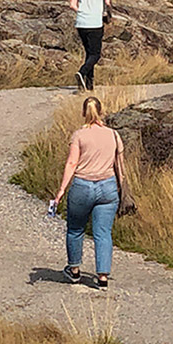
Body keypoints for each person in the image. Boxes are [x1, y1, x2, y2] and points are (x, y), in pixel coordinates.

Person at [48, 96, 128, 288]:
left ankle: (74, 269)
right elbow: (121, 167)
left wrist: (61, 191)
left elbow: (72, 163)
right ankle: (102, 276)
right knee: (103, 233)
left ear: (84, 113)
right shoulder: (113, 135)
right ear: (101, 112)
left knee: (75, 229)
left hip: (83, 185)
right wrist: (122, 188)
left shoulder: (78, 136)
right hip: (107, 186)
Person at [69, 0, 112, 92]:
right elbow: (107, 1)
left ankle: (88, 85)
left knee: (89, 53)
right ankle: (82, 72)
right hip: (94, 21)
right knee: (96, 54)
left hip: (81, 21)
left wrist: (81, 10)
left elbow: (72, 4)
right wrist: (108, 14)